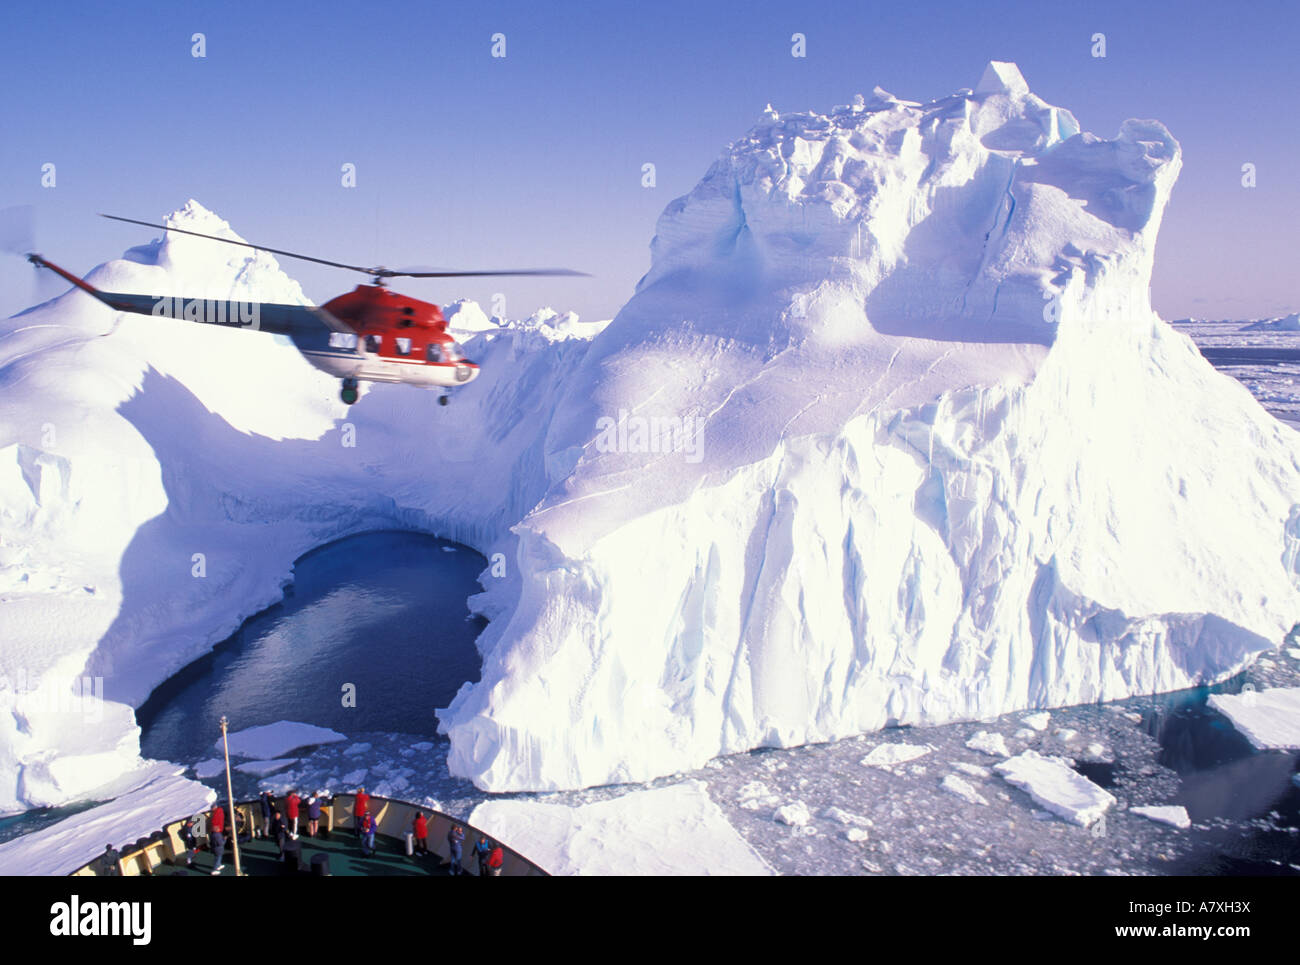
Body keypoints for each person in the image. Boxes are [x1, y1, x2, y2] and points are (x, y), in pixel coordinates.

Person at [209, 804, 227, 875]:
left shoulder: (213, 834)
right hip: (218, 849)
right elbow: (221, 843)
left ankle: (219, 865)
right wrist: (225, 839)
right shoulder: (217, 835)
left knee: (219, 857)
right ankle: (214, 869)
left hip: (216, 848)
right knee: (218, 858)